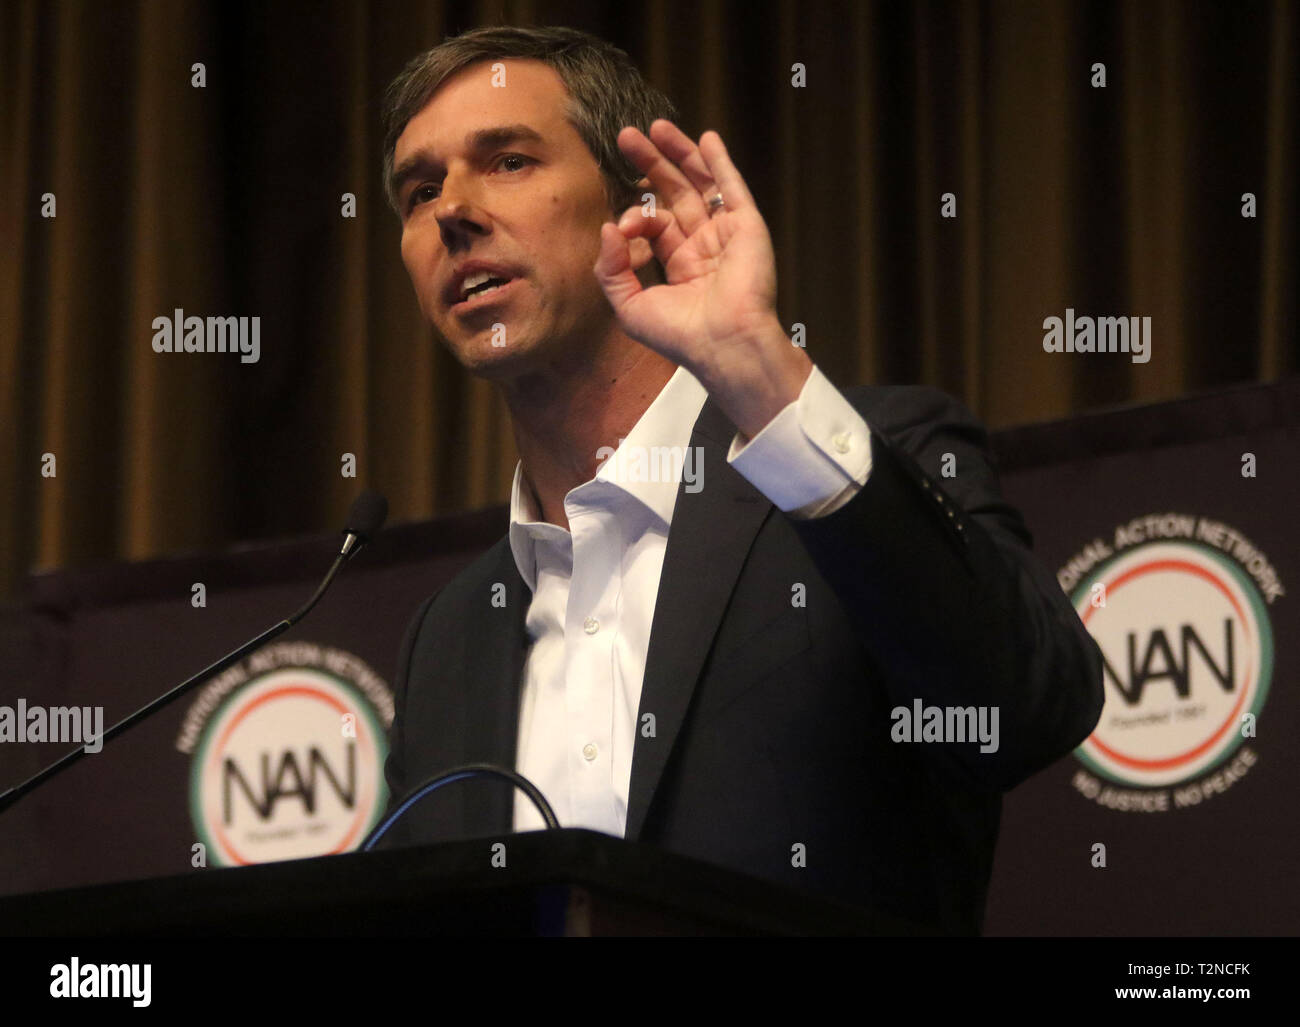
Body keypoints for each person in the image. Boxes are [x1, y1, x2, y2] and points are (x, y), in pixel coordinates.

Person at [376, 25, 1103, 935]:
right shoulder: (448, 637)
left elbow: (1029, 706)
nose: (452, 210)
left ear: (637, 211)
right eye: (418, 190)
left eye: (510, 161)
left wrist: (761, 374)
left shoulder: (860, 464)